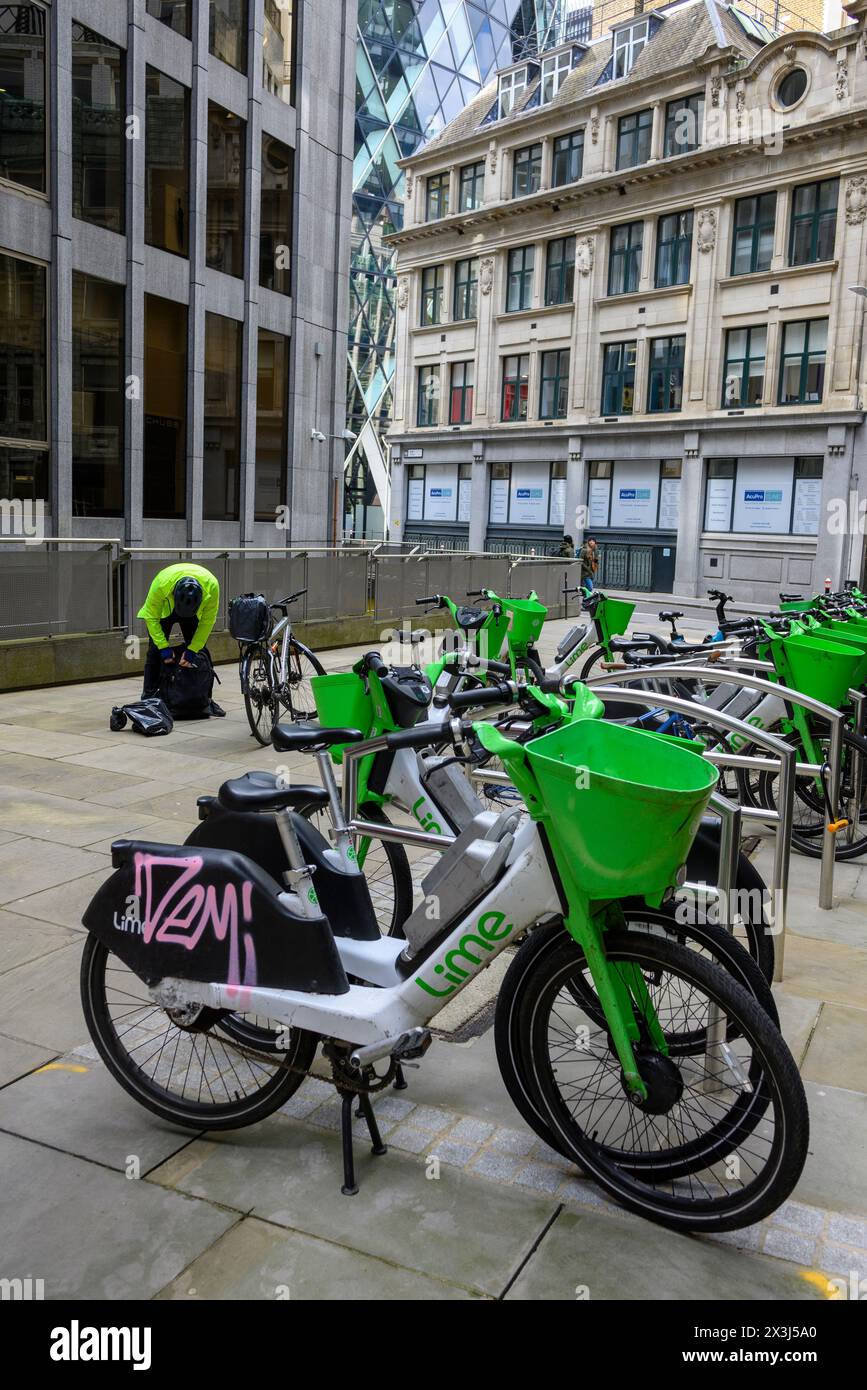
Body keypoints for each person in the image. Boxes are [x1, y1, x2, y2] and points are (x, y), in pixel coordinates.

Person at [138, 562, 223, 712]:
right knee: (154, 652)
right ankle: (148, 698)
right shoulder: (161, 584)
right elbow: (151, 617)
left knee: (201, 652)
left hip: (193, 613)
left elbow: (207, 622)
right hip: (166, 608)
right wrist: (163, 648)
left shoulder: (212, 586)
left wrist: (192, 651)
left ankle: (206, 699)